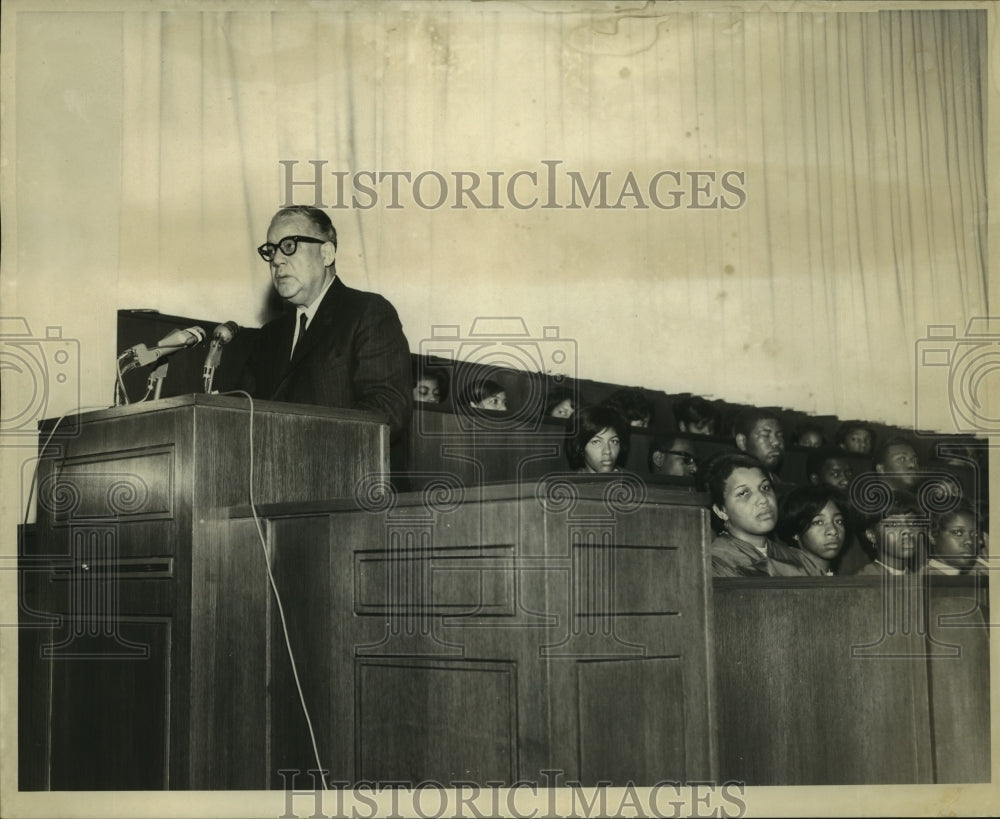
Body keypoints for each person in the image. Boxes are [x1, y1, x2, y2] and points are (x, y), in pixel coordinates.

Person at [240, 205, 412, 462]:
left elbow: (387, 410)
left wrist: (300, 449)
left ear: (326, 253)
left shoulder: (368, 313)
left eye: (289, 245)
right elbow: (242, 413)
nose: (276, 259)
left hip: (347, 487)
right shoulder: (268, 337)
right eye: (271, 250)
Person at [704, 452, 808, 577]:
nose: (763, 499)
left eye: (765, 487)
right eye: (743, 493)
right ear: (721, 511)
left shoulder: (798, 558)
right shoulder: (714, 563)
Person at [777, 485, 847, 576]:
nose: (833, 531)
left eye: (839, 521)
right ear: (796, 532)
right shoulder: (781, 572)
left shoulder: (829, 574)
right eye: (819, 522)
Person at [853, 494, 924, 576]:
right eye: (893, 524)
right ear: (871, 535)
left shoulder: (918, 579)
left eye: (913, 523)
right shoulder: (862, 580)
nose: (908, 530)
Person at [565, 406, 630, 474]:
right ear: (579, 447)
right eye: (596, 442)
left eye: (614, 441)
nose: (607, 451)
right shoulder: (569, 483)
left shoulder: (632, 483)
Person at [924, 506, 987, 576]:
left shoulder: (980, 571)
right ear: (932, 536)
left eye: (975, 534)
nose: (970, 541)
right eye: (958, 533)